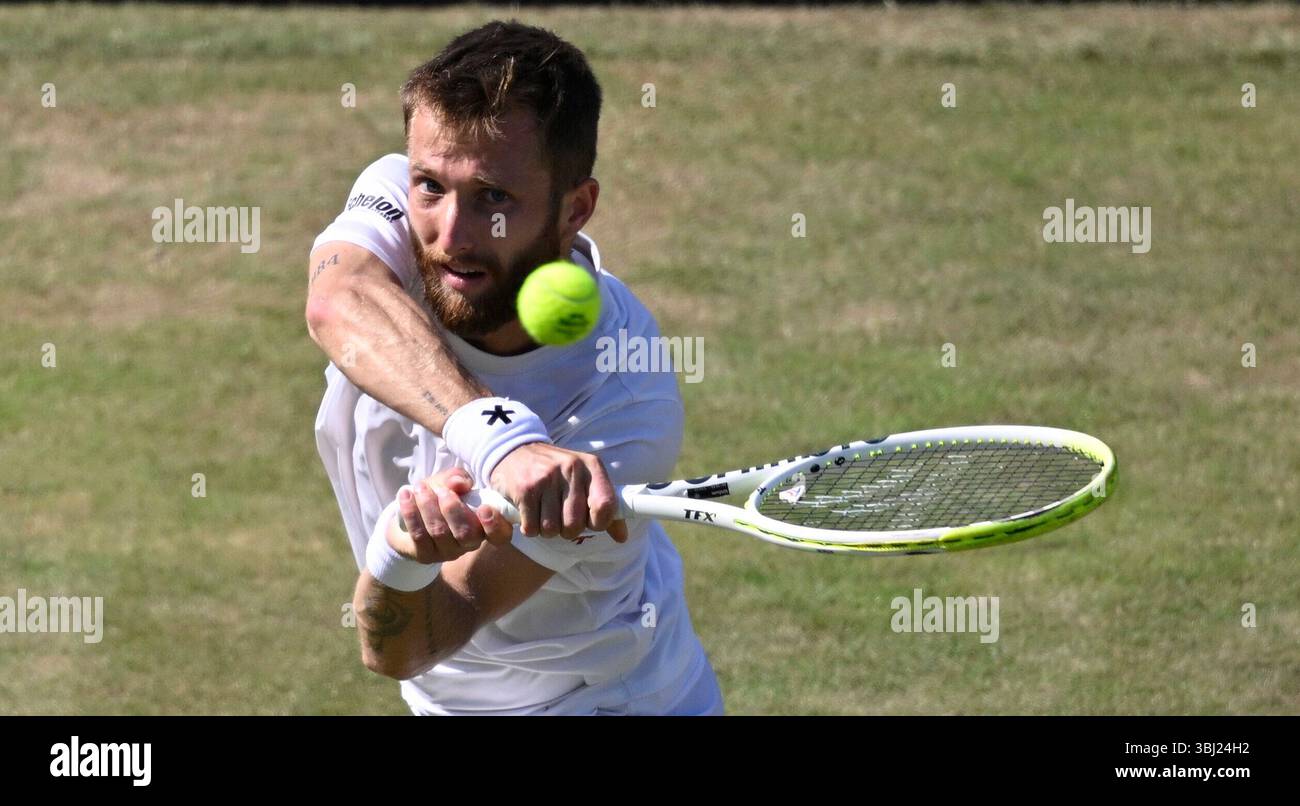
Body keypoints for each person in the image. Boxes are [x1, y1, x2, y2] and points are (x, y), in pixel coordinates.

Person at [306, 20, 723, 715]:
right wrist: (502, 443)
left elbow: (410, 644)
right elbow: (336, 301)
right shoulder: (396, 202)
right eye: (430, 186)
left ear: (575, 209)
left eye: (494, 198)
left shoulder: (621, 404)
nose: (450, 235)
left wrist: (402, 551)